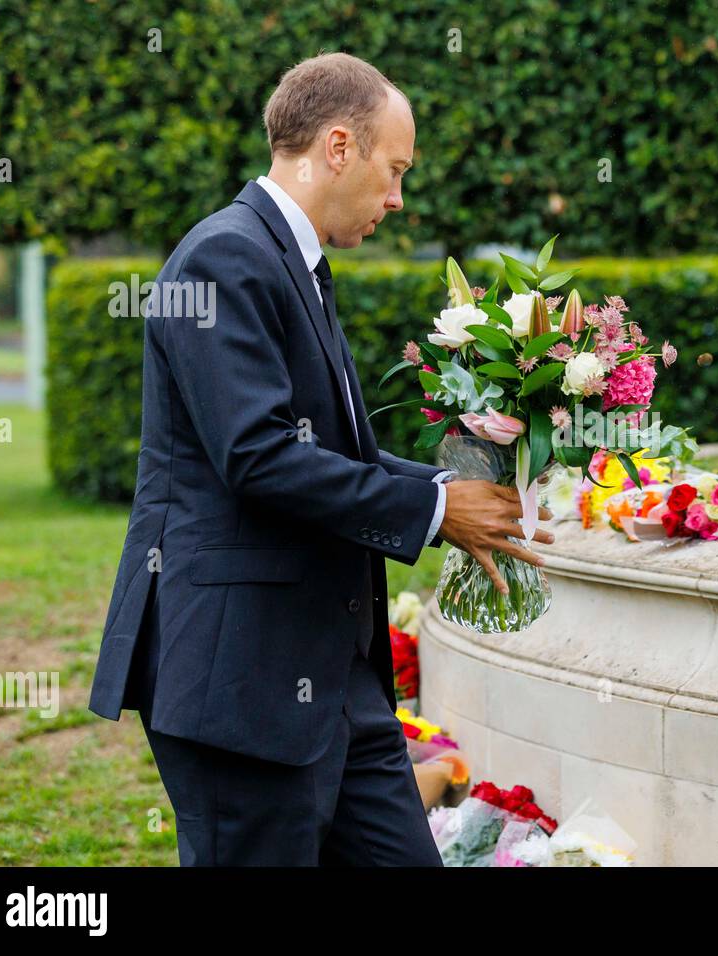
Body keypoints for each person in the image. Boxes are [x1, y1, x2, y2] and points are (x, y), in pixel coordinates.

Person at [86, 52, 553, 866]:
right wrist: (439, 512)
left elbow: (341, 454)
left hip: (339, 685)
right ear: (339, 148)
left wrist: (455, 488)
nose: (398, 198)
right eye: (394, 169)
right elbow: (259, 459)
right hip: (242, 687)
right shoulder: (222, 258)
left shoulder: (296, 262)